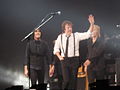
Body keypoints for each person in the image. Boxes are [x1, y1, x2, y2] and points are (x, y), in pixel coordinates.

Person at [53, 15, 95, 90]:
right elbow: (56, 49)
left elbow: (87, 34)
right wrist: (60, 57)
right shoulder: (60, 37)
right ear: (64, 29)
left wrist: (91, 24)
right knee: (66, 80)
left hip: (74, 60)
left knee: (73, 81)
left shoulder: (76, 35)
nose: (70, 29)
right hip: (64, 60)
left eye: (71, 27)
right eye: (68, 27)